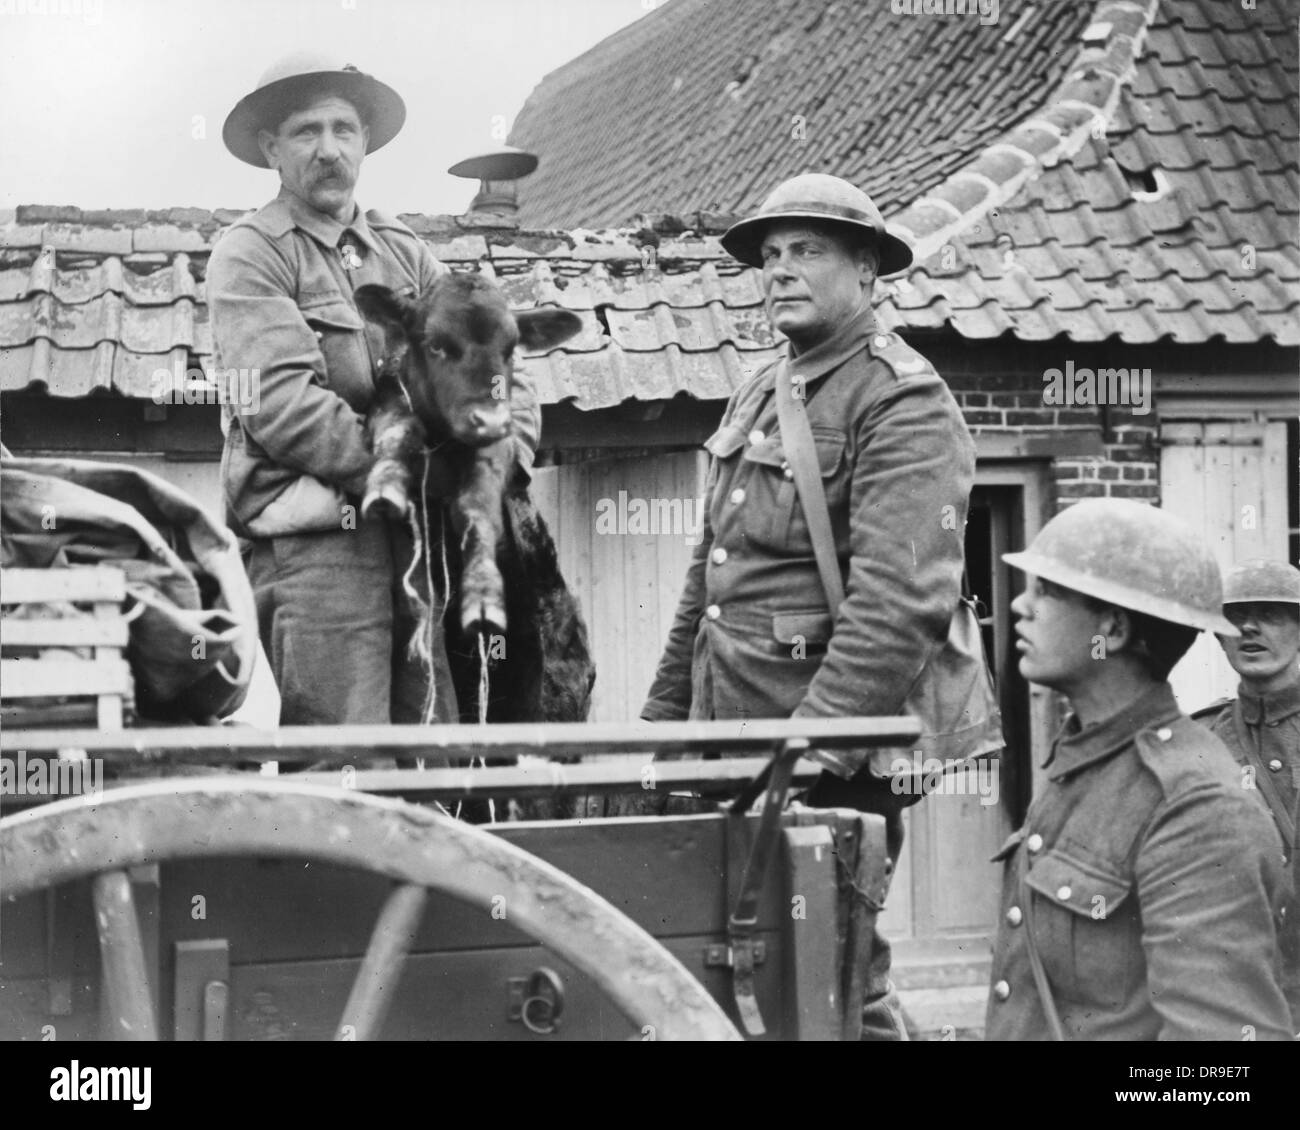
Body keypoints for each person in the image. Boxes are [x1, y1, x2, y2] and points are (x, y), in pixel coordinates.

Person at [641, 173, 976, 1039]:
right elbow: (706, 584)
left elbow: (899, 607)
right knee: (753, 980)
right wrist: (661, 732)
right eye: (772, 255)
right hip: (736, 743)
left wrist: (805, 754)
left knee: (834, 985)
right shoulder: (759, 389)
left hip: (829, 759)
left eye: (809, 251)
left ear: (867, 273)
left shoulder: (902, 398)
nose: (781, 270)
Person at [208, 53, 540, 726]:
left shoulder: (404, 252)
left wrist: (506, 455)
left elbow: (493, 356)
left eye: (343, 129)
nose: (329, 150)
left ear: (365, 143)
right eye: (306, 131)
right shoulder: (253, 253)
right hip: (320, 544)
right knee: (343, 758)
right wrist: (426, 471)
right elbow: (282, 406)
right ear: (273, 148)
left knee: (434, 754)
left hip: (416, 542)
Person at [986, 500, 1293, 1040]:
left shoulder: (1195, 805)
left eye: (1048, 592)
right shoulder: (1087, 764)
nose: (1019, 605)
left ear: (1114, 628)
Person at [1196, 558, 1300, 1030]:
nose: (1250, 629)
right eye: (1236, 618)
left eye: (1272, 615)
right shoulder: (1200, 741)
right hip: (1236, 992)